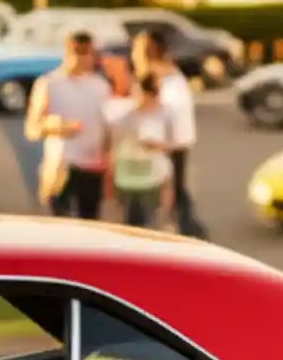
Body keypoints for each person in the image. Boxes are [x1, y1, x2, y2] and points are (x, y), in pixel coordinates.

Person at [26, 31, 112, 220]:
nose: (82, 58)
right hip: (61, 166)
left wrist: (108, 159)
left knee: (90, 223)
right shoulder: (50, 83)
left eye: (87, 52)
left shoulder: (101, 86)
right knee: (61, 223)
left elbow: (108, 128)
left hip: (92, 166)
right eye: (77, 52)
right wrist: (56, 127)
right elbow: (32, 128)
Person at [135, 29, 208, 240]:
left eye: (139, 49)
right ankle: (189, 229)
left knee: (170, 191)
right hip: (174, 141)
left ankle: (189, 231)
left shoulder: (159, 77)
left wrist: (164, 142)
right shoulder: (171, 74)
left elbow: (161, 110)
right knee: (176, 190)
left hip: (165, 143)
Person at [106, 73, 175, 230]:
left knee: (152, 220)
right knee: (130, 221)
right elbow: (114, 144)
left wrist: (155, 146)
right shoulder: (126, 117)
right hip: (129, 176)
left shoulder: (165, 114)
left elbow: (171, 144)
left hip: (155, 176)